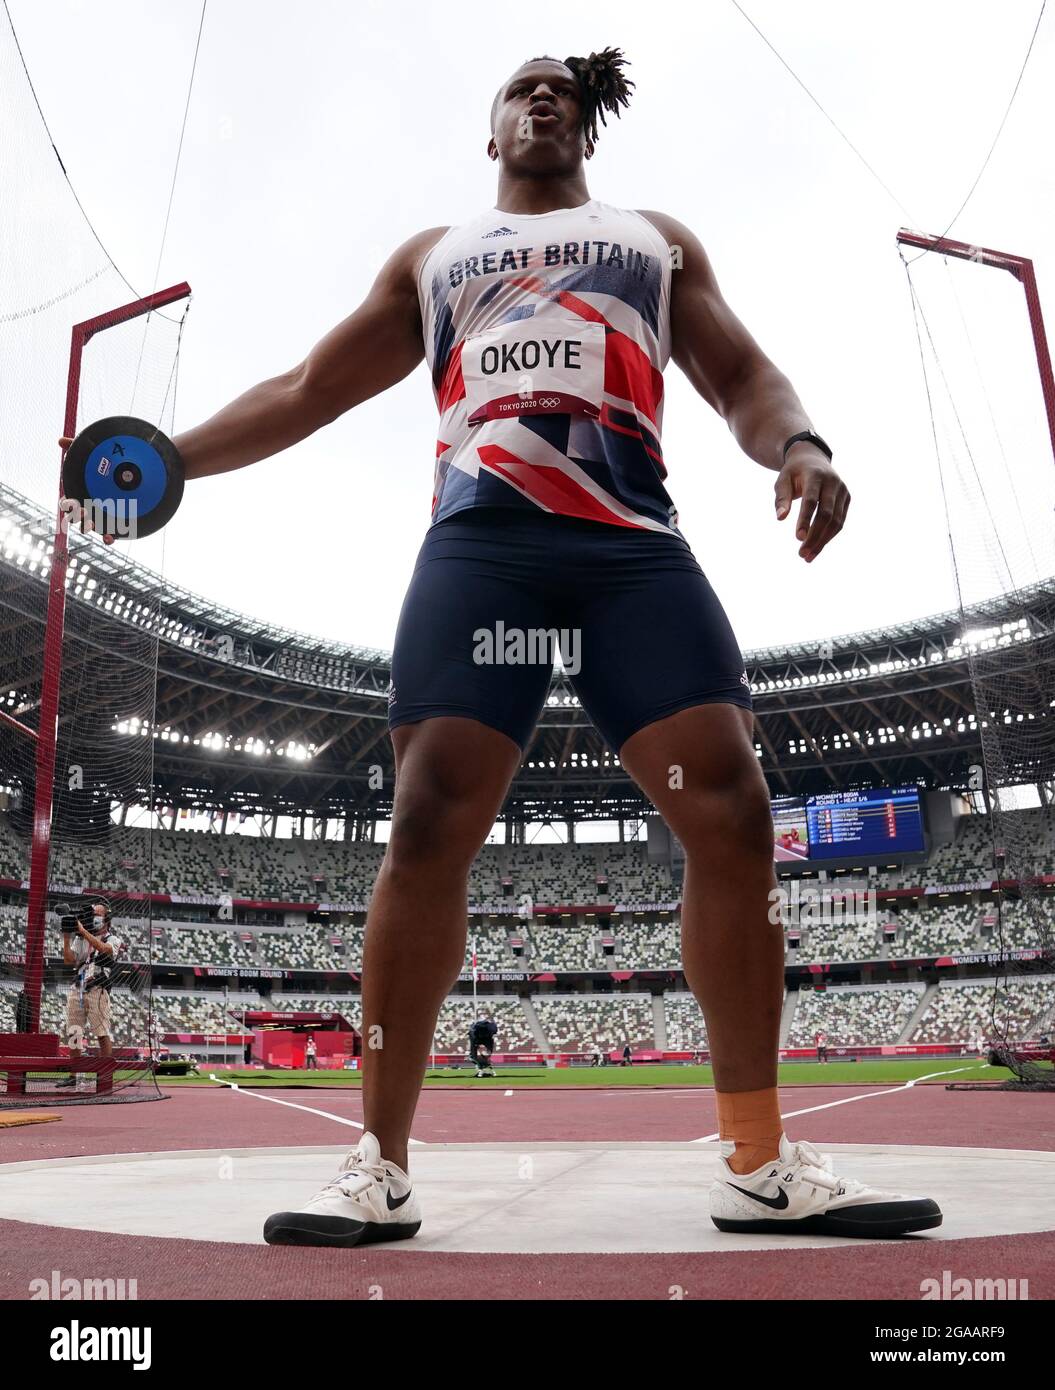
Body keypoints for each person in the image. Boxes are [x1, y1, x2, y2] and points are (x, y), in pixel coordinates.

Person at [159, 47, 940, 1245]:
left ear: (586, 129)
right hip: (484, 551)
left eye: (561, 95)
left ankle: (753, 1159)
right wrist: (171, 461)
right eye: (521, 91)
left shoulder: (650, 240)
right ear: (489, 133)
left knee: (727, 811)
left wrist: (801, 444)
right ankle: (379, 1164)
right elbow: (308, 384)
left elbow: (738, 374)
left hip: (628, 554)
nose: (541, 102)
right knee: (426, 819)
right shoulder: (434, 258)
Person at [59, 900, 125, 1089]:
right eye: (92, 914)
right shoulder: (80, 939)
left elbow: (103, 949)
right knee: (73, 1032)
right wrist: (67, 936)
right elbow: (69, 960)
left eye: (97, 914)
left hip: (99, 988)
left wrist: (82, 931)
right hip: (77, 987)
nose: (93, 917)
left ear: (106, 919)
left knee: (102, 1033)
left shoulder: (113, 939)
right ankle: (73, 1074)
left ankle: (105, 1075)